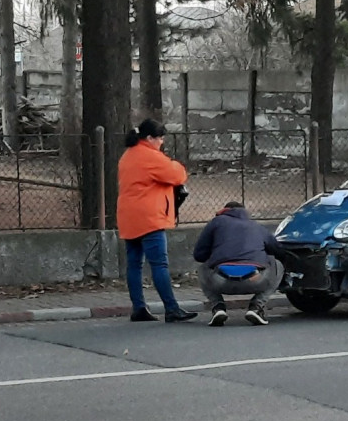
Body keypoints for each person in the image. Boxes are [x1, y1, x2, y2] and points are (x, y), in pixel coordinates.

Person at [117, 118, 198, 323]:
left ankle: (139, 308)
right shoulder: (150, 157)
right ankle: (171, 309)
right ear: (150, 138)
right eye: (160, 138)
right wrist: (176, 164)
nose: (162, 142)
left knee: (134, 264)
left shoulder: (127, 155)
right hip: (149, 218)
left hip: (128, 216)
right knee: (159, 264)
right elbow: (177, 175)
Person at [193, 201, 285, 327]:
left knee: (203, 267)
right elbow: (278, 250)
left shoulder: (216, 223)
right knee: (278, 265)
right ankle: (256, 307)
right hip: (255, 279)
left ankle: (218, 307)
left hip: (220, 280)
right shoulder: (257, 226)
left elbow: (199, 255)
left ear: (224, 210)